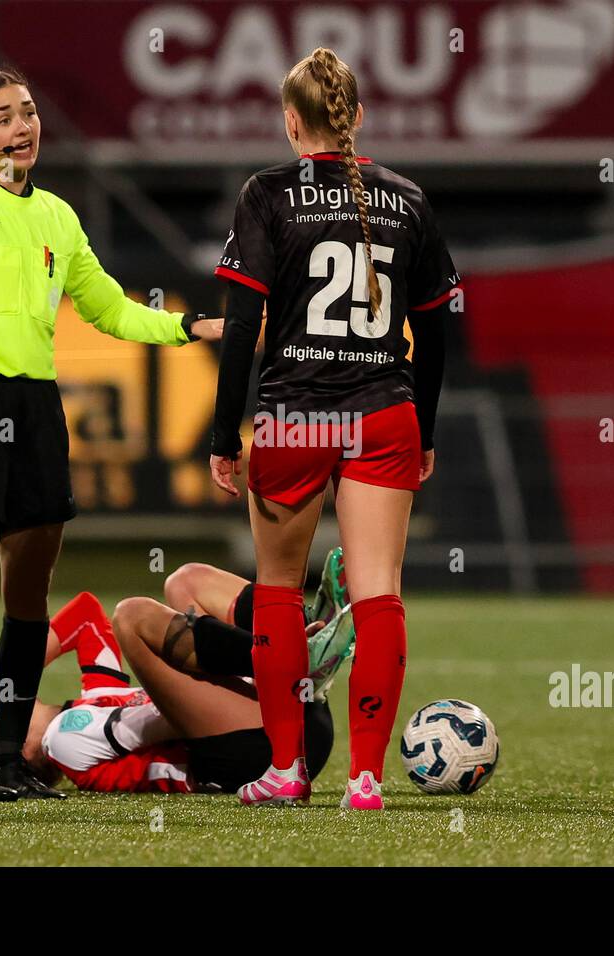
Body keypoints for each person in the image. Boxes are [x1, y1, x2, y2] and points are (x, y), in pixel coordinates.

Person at [0, 67, 222, 801]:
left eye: (28, 112)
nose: (22, 127)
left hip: (34, 413)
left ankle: (8, 761)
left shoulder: (59, 219)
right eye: (3, 118)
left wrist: (189, 326)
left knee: (30, 597)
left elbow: (108, 308)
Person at [208, 48, 458, 808]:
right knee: (379, 591)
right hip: (387, 413)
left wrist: (226, 436)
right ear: (358, 118)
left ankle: (286, 770)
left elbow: (242, 324)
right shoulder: (408, 198)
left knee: (279, 589)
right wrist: (428, 429)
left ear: (291, 121)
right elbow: (436, 329)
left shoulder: (267, 194)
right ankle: (365, 780)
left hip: (292, 417)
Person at [0, 552, 354, 794]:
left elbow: (84, 616)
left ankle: (301, 633)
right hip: (251, 754)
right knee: (132, 616)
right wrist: (239, 674)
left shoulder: (93, 699)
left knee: (184, 580)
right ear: (25, 755)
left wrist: (11, 682)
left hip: (275, 722)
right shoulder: (63, 741)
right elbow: (164, 722)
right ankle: (284, 657)